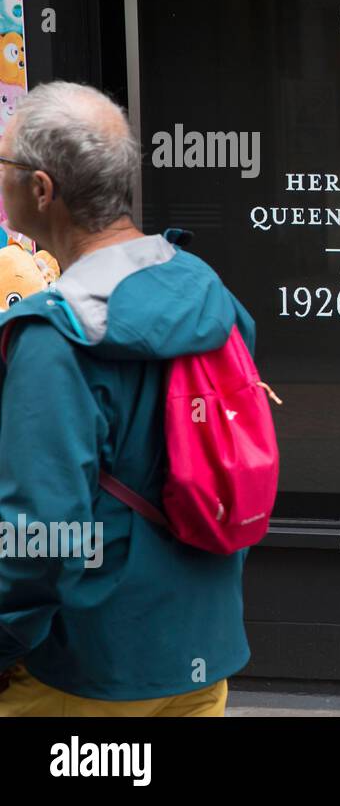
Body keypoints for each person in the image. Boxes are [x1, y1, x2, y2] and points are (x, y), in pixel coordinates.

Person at [0, 82, 253, 715]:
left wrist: (6, 643)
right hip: (202, 652)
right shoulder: (207, 293)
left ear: (40, 189)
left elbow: (44, 534)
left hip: (83, 672)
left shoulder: (52, 337)